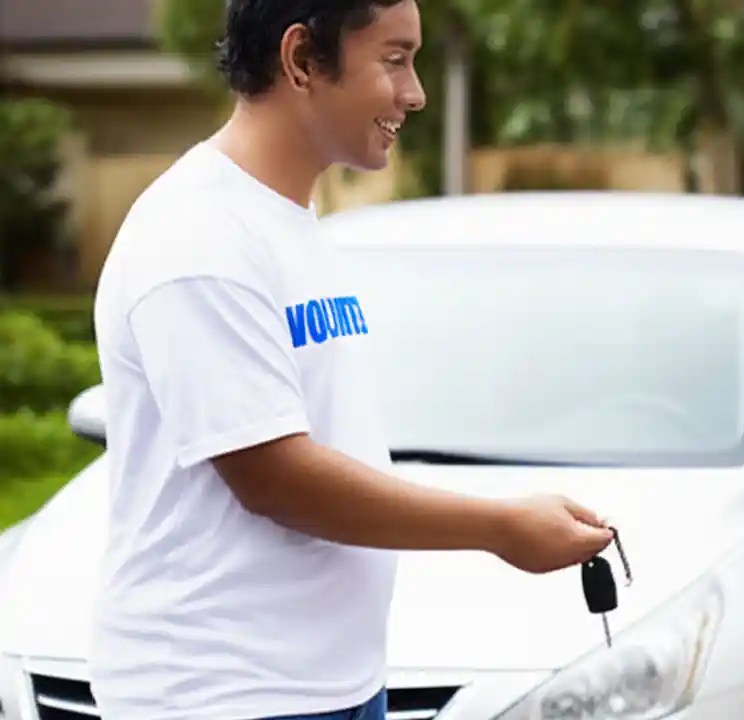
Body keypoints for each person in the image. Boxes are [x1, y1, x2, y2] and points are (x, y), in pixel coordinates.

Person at [88, 2, 614, 719]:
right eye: (394, 60)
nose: (415, 93)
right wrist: (498, 527)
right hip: (224, 696)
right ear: (302, 59)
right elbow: (276, 478)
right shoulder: (197, 236)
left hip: (331, 684)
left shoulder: (283, 219)